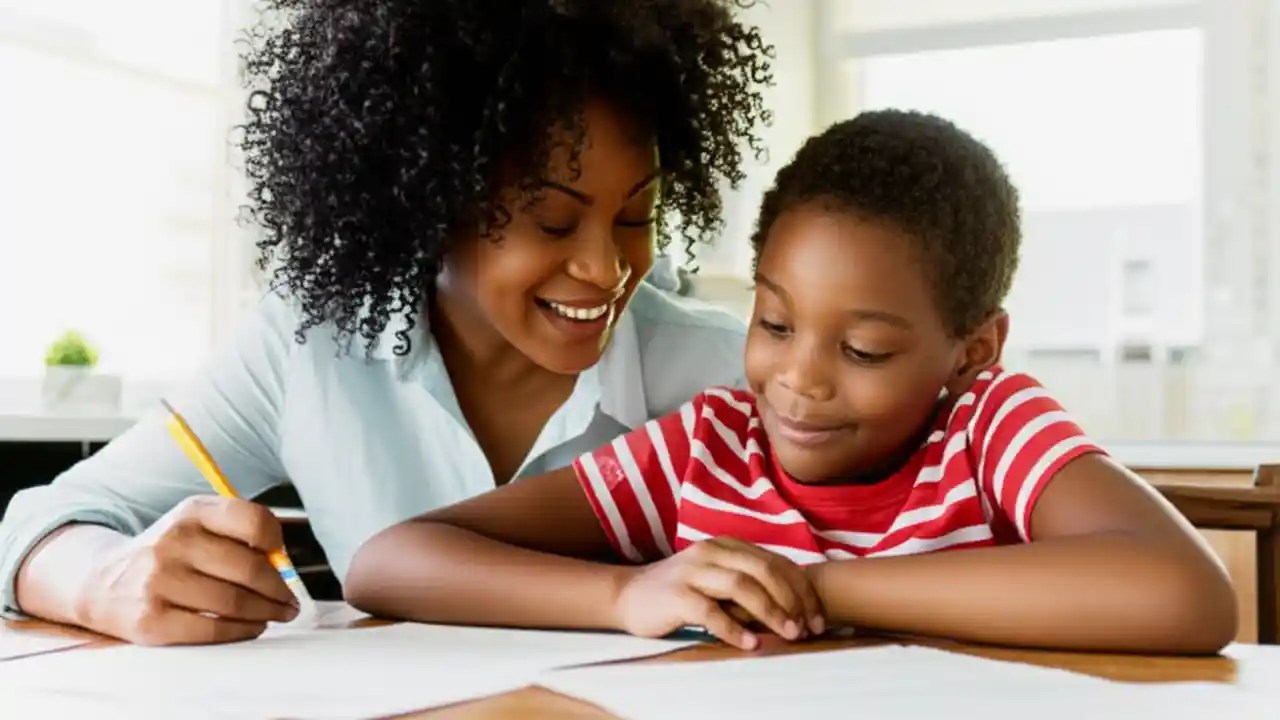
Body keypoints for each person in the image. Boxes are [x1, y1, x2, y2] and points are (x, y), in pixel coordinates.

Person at [0, 0, 772, 646]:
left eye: (637, 216)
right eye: (552, 222)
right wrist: (109, 582)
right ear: (430, 202)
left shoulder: (734, 374)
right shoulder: (306, 348)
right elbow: (35, 525)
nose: (606, 270)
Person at [346, 110, 1239, 654]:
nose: (798, 382)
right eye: (774, 324)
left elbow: (1186, 595)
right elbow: (389, 564)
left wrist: (814, 585)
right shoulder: (709, 448)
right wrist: (627, 594)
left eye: (864, 352)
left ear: (971, 350)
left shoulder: (986, 429)